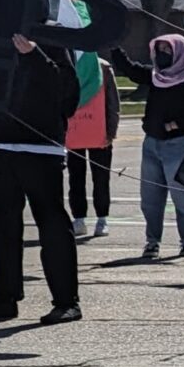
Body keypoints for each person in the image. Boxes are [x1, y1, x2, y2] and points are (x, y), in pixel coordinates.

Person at [0, 34, 83, 324]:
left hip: (40, 148)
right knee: (3, 226)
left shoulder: (51, 39)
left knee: (52, 223)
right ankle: (5, 298)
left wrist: (34, 55)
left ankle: (67, 301)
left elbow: (66, 92)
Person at [107, 34, 184, 258]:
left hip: (179, 145)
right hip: (152, 144)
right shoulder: (155, 77)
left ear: (179, 53)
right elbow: (130, 69)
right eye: (159, 49)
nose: (162, 54)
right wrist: (114, 47)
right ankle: (152, 242)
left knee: (182, 198)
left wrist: (177, 124)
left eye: (167, 50)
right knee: (150, 199)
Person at [64, 54, 116, 238]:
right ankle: (79, 218)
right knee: (75, 177)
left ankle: (102, 218)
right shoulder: (67, 65)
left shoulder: (103, 67)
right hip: (75, 130)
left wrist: (111, 131)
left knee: (101, 177)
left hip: (99, 131)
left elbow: (112, 100)